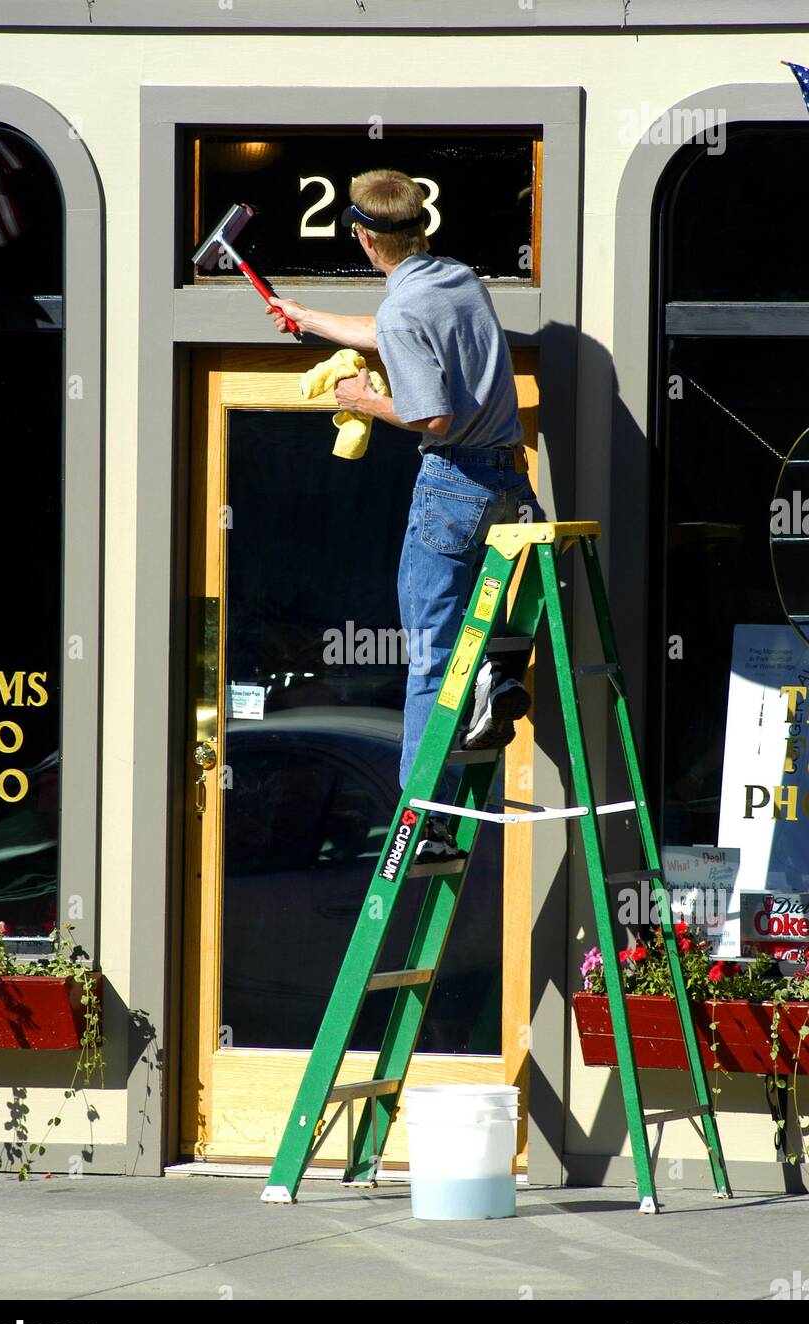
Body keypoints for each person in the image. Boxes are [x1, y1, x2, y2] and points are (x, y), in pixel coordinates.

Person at [267, 168, 546, 863]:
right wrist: (307, 318)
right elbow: (390, 328)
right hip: (509, 485)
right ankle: (492, 681)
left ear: (363, 238)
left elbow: (432, 413)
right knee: (465, 635)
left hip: (451, 486)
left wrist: (361, 400)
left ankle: (426, 824)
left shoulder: (402, 311)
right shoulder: (457, 279)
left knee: (428, 657)